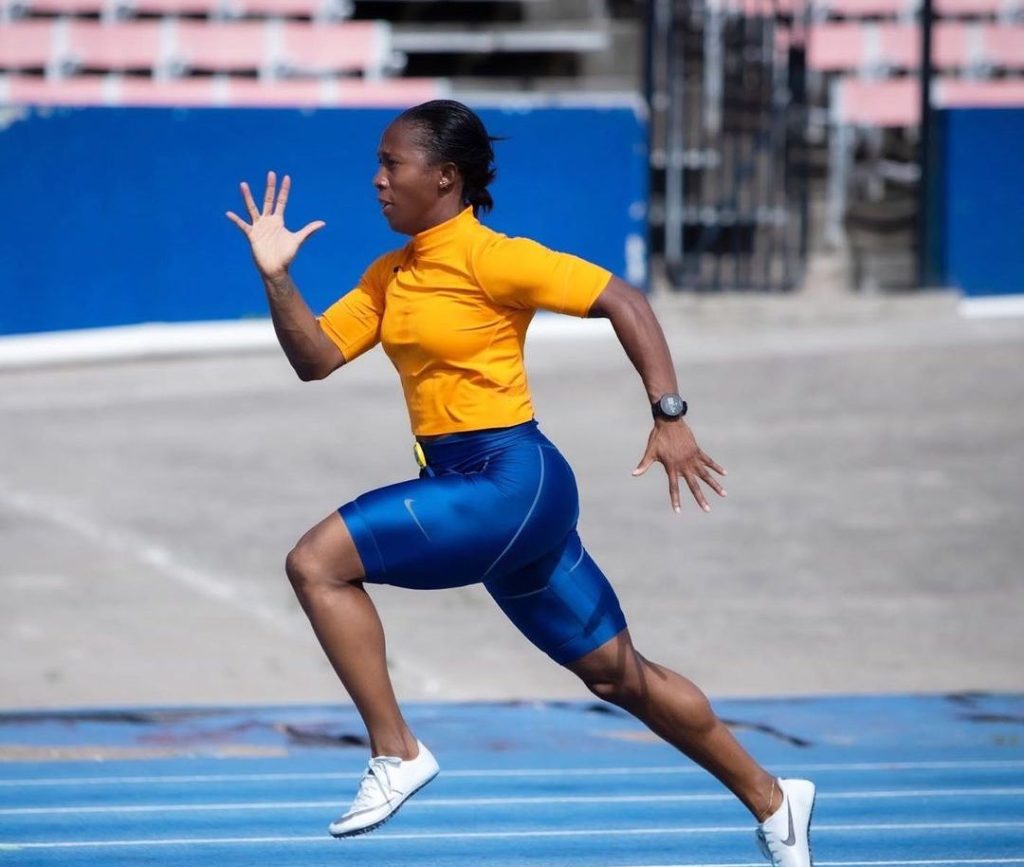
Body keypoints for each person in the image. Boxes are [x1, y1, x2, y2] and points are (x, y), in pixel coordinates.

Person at [226, 99, 815, 866]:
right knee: (618, 675)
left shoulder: (492, 257)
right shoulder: (391, 275)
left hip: (511, 478)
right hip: (487, 494)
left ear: (444, 177)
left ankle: (396, 750)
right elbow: (315, 357)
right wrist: (277, 278)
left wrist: (669, 414)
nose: (376, 180)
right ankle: (775, 800)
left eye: (391, 164)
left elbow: (623, 299)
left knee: (316, 563)